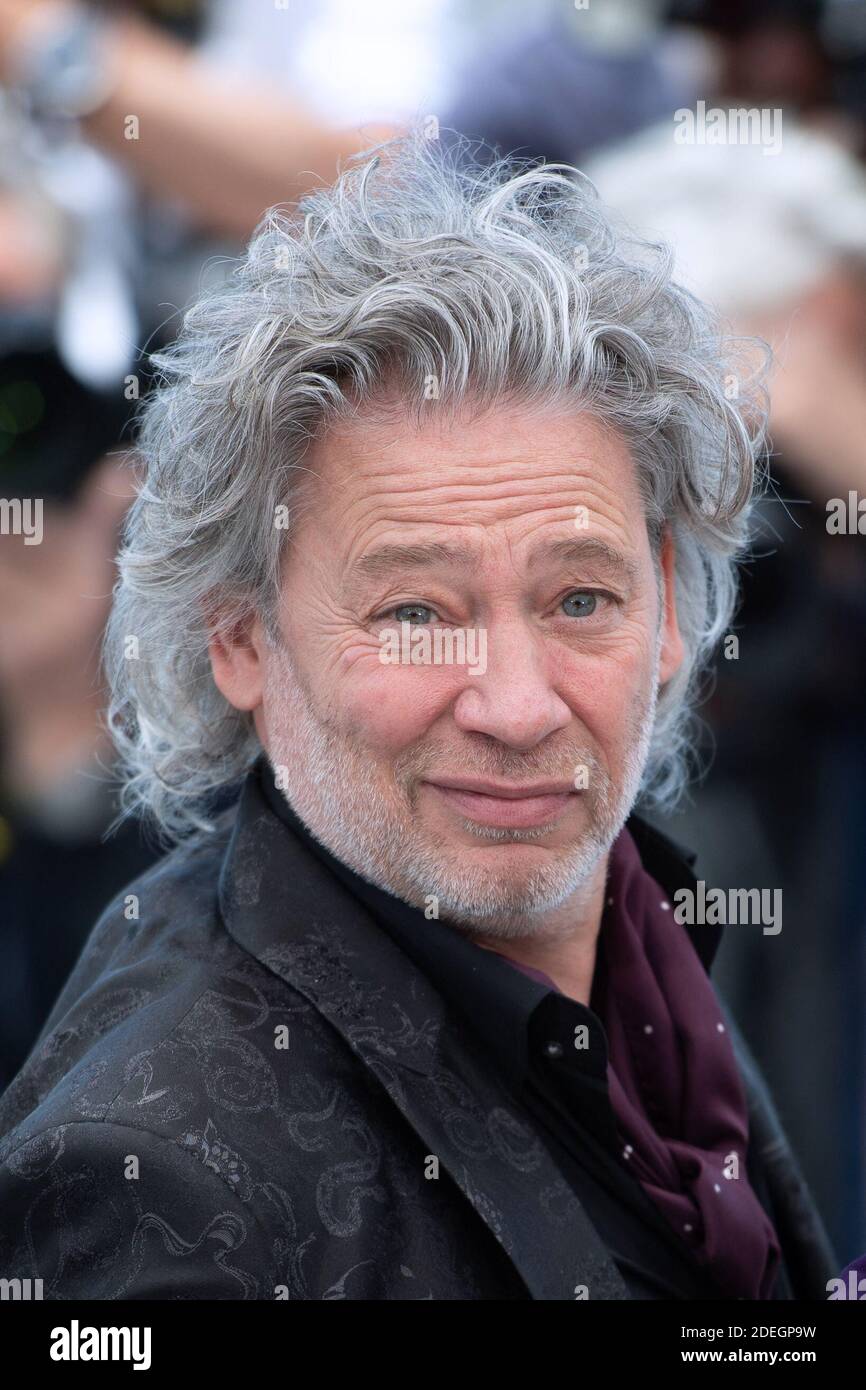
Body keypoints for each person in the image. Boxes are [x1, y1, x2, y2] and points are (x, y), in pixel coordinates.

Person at [0, 131, 836, 1300]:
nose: (515, 703)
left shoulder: (632, 937)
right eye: (413, 611)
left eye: (579, 598)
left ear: (665, 612)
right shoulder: (154, 1187)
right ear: (240, 636)